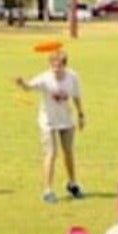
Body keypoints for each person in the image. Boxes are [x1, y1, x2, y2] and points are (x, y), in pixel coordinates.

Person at [16, 48, 86, 202]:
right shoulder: (45, 78)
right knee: (51, 153)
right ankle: (48, 190)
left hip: (66, 120)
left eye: (59, 66)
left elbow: (76, 97)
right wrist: (22, 83)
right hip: (48, 122)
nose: (56, 69)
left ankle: (72, 184)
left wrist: (81, 115)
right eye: (53, 65)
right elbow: (29, 87)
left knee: (68, 152)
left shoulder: (72, 77)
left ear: (64, 65)